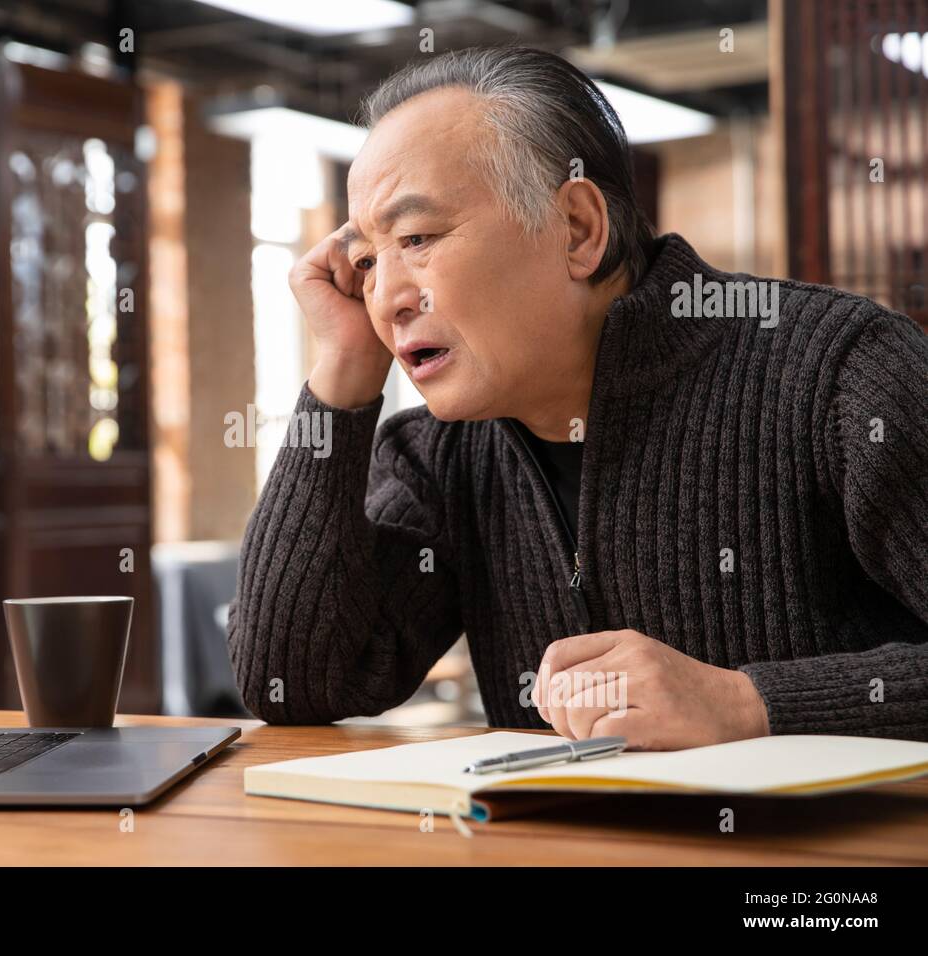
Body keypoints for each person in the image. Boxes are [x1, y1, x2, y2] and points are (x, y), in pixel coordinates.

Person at [226, 47, 928, 749]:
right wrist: (341, 371)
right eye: (368, 262)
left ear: (578, 229)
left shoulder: (844, 375)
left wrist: (750, 704)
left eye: (417, 237)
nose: (386, 298)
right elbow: (294, 682)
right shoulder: (440, 456)